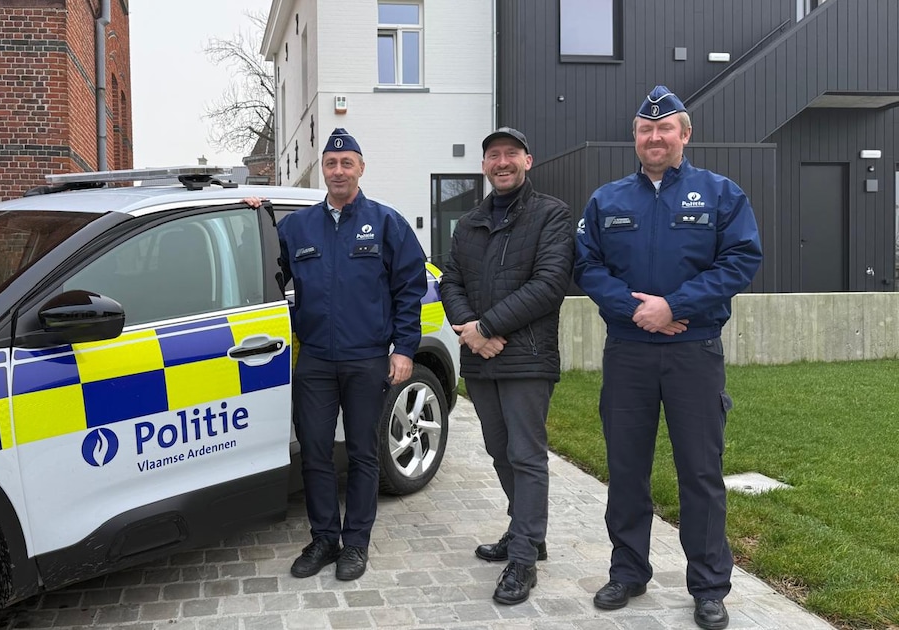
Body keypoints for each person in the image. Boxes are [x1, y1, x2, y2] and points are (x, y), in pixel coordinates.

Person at [574, 86, 762, 630]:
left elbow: (740, 261)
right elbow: (587, 266)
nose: (654, 137)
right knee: (626, 468)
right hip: (630, 352)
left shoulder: (721, 194)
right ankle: (628, 570)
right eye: (644, 129)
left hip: (692, 352)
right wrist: (639, 312)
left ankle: (707, 586)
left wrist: (674, 306)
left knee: (700, 473)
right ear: (635, 138)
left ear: (685, 133)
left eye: (664, 128)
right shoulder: (607, 200)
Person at [246, 128, 427, 581]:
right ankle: (325, 538)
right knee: (314, 451)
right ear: (323, 169)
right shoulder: (299, 226)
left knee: (364, 453)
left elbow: (410, 290)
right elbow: (269, 266)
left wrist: (403, 349)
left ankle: (357, 544)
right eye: (331, 163)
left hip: (368, 358)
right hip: (317, 361)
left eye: (347, 163)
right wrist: (258, 217)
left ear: (361, 168)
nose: (339, 170)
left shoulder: (387, 223)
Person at [439, 127, 574, 605]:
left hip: (527, 359)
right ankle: (526, 534)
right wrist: (470, 328)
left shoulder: (550, 215)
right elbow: (449, 282)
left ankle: (523, 559)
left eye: (510, 154)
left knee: (526, 455)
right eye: (493, 155)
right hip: (481, 359)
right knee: (499, 450)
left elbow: (550, 282)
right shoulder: (470, 222)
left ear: (527, 160)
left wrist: (487, 327)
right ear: (484, 166)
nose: (502, 162)